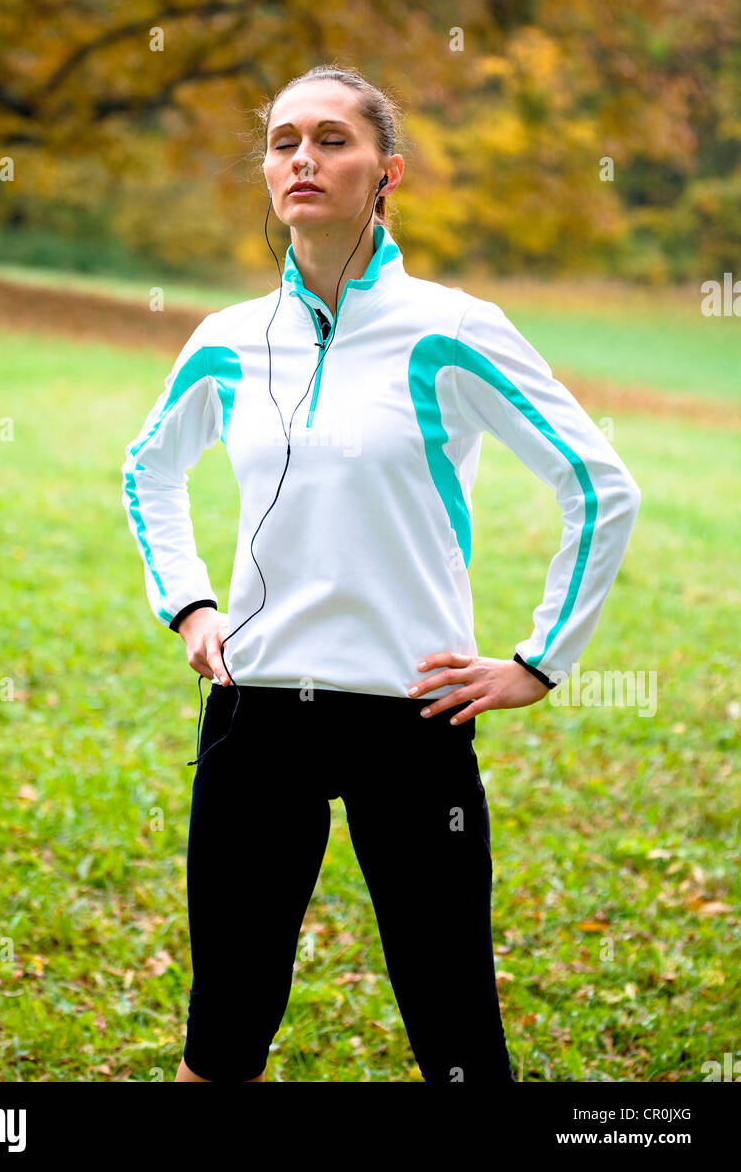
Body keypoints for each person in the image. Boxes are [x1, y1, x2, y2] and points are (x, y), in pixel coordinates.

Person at [120, 64, 642, 1083]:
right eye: (281, 142)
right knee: (221, 1028)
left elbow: (597, 484)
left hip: (411, 717)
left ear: (385, 170)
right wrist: (188, 605)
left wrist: (536, 661)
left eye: (330, 139)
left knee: (454, 1034)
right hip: (255, 708)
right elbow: (147, 467)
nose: (301, 158)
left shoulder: (452, 328)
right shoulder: (227, 339)